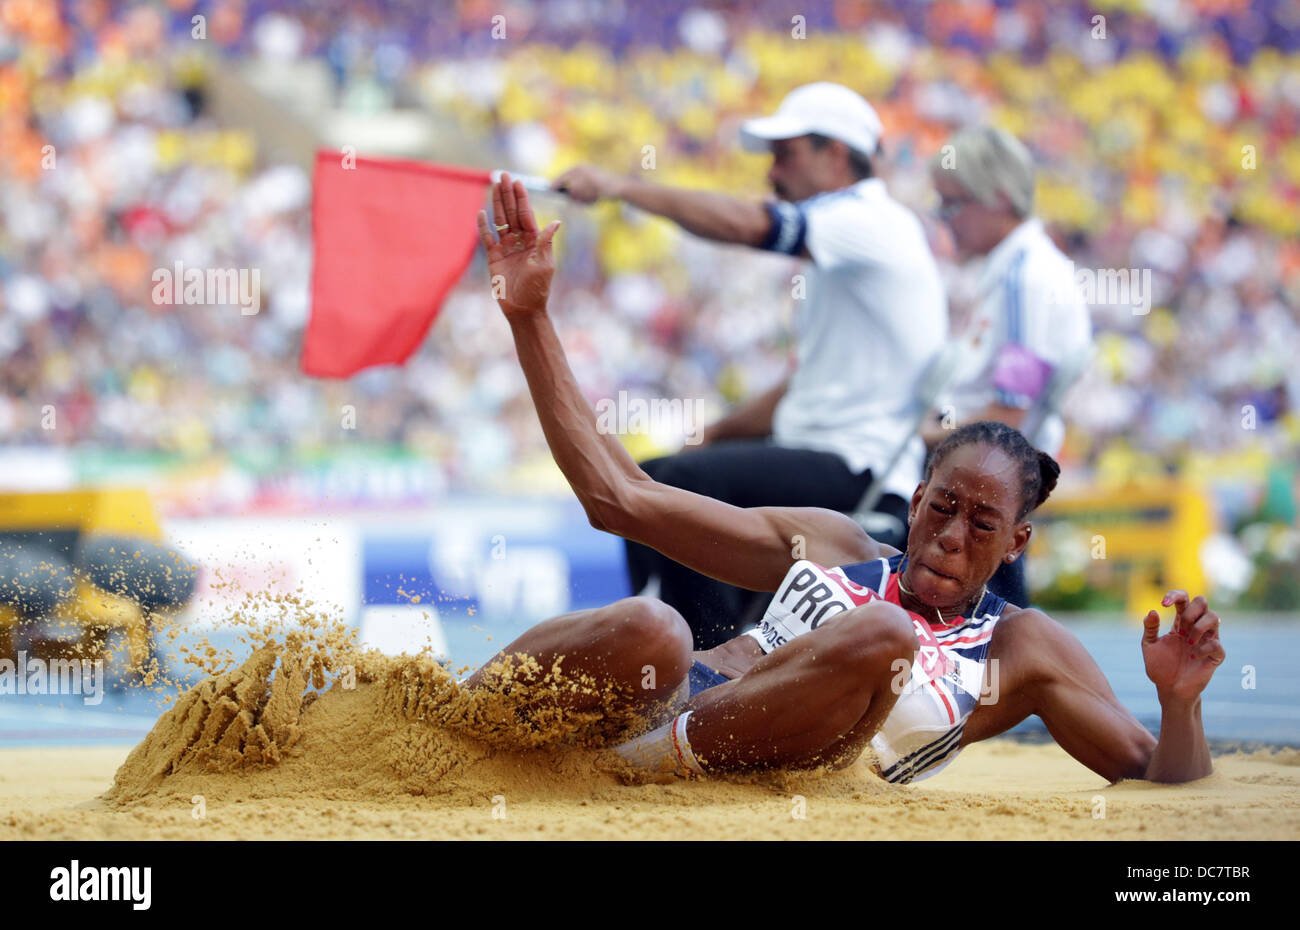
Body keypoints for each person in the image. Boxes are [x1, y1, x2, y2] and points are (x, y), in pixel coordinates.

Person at [468, 176, 1224, 784]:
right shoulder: (834, 542)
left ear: (1017, 542)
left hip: (759, 768)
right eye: (943, 507)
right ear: (918, 499)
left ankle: (636, 770)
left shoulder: (1021, 647)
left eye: (983, 525)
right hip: (669, 704)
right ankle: (426, 726)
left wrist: (1180, 703)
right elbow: (619, 499)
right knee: (652, 626)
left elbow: (1156, 771)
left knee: (887, 636)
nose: (951, 537)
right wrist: (529, 316)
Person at [554, 82, 947, 648]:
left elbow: (745, 225)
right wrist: (713, 434)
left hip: (859, 464)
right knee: (652, 478)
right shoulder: (848, 246)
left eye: (784, 154)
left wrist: (620, 187)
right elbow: (803, 389)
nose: (772, 172)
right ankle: (672, 644)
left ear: (835, 153)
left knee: (673, 484)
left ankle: (700, 669)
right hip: (828, 453)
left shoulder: (869, 221)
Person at [925, 126, 1093, 607]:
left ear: (997, 198)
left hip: (981, 478)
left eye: (952, 204)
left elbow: (1008, 418)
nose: (945, 220)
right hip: (985, 477)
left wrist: (920, 434)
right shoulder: (1013, 272)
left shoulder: (1026, 280)